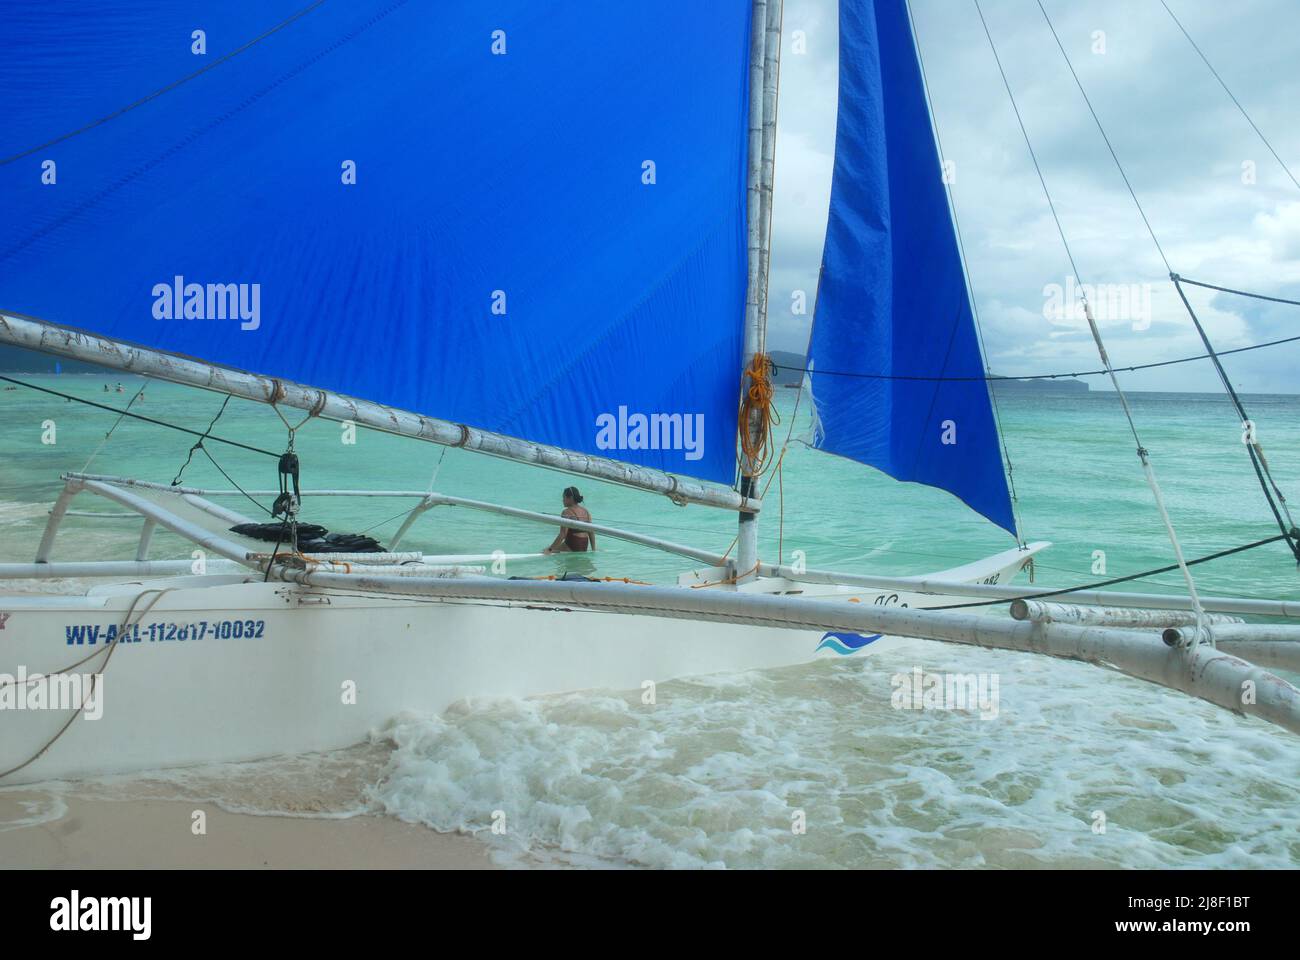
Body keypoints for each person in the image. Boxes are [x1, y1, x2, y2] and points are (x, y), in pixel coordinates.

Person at [543, 486, 595, 554]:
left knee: (544, 551)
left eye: (564, 497)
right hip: (584, 546)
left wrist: (549, 550)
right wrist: (594, 549)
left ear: (570, 498)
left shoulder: (566, 512)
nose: (562, 500)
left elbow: (562, 535)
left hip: (572, 545)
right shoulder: (586, 511)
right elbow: (591, 532)